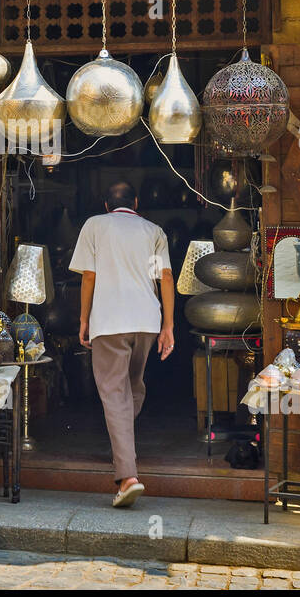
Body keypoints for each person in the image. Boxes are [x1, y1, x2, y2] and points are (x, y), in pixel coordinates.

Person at [69, 181, 174, 508]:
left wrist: (84, 319)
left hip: (110, 321)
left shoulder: (95, 225)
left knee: (115, 394)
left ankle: (127, 476)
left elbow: (89, 276)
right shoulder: (153, 231)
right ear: (137, 203)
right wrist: (168, 325)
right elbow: (165, 278)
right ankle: (123, 446)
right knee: (132, 387)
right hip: (145, 320)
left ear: (105, 205)